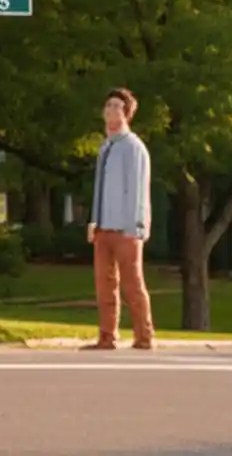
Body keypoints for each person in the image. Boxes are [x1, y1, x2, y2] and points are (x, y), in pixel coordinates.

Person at [83, 87, 154, 350]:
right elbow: (100, 188)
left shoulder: (133, 147)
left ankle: (144, 336)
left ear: (126, 113)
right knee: (104, 285)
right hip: (103, 227)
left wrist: (136, 225)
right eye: (108, 105)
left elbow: (137, 188)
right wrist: (94, 221)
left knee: (133, 283)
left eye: (117, 106)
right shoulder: (106, 148)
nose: (111, 110)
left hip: (127, 228)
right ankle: (107, 336)